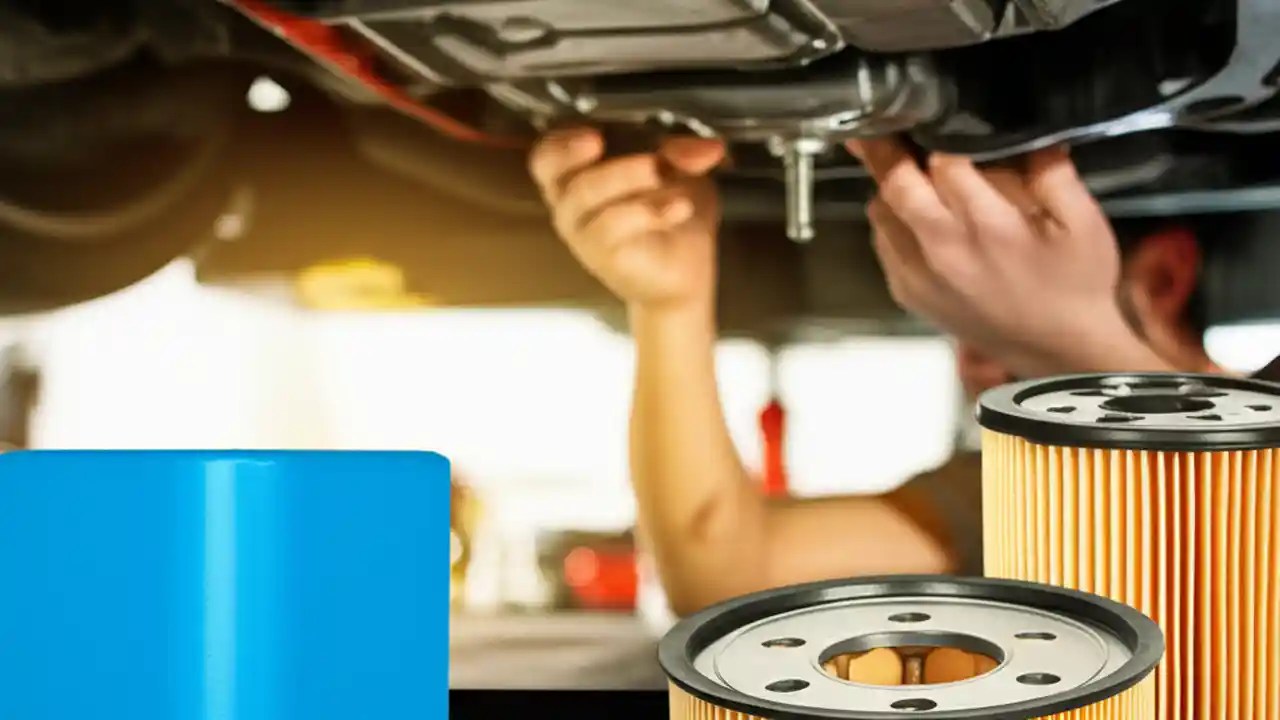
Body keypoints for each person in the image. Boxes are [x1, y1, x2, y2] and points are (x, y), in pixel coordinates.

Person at [527, 127, 1219, 616]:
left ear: (1162, 277)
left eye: (997, 269)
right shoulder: (1040, 488)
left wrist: (1071, 342)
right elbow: (726, 577)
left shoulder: (1233, 470)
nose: (972, 351)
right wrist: (671, 305)